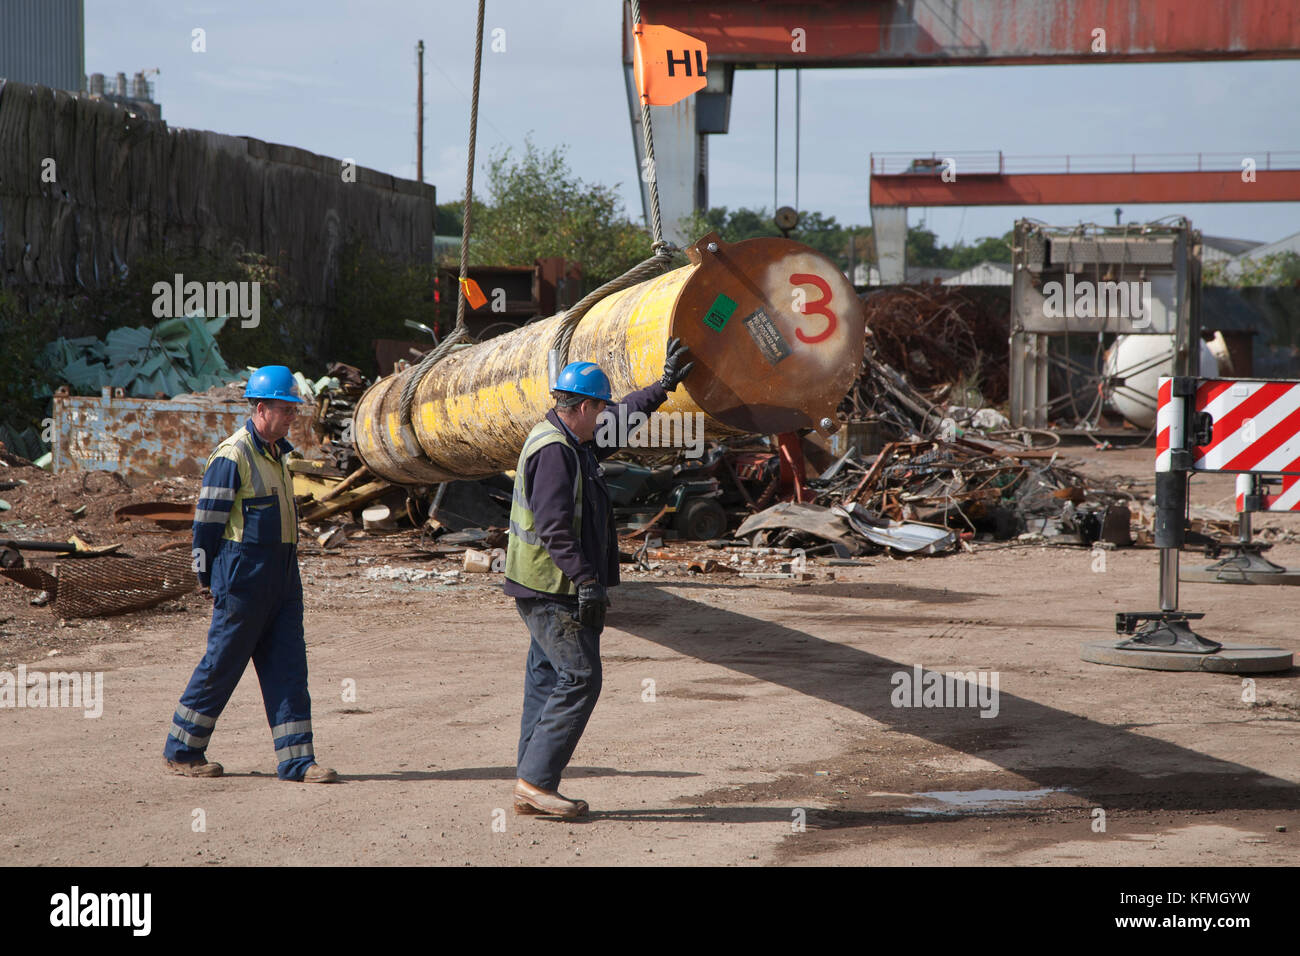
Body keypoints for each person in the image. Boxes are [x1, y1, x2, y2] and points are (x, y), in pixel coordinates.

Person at [505, 339, 694, 817]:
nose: (604, 416)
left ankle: (531, 785)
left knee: (547, 679)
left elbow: (623, 418)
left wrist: (663, 387)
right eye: (600, 408)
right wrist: (587, 581)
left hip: (541, 584)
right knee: (581, 677)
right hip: (552, 587)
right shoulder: (556, 452)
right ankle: (537, 781)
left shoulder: (574, 438)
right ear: (584, 406)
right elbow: (552, 527)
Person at [163, 365, 337, 784]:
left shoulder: (280, 456)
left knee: (289, 668)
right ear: (261, 409)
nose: (293, 415)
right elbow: (206, 526)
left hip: (281, 579)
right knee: (222, 664)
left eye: (294, 408)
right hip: (243, 581)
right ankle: (183, 750)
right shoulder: (232, 456)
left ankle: (297, 761)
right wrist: (206, 577)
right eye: (286, 408)